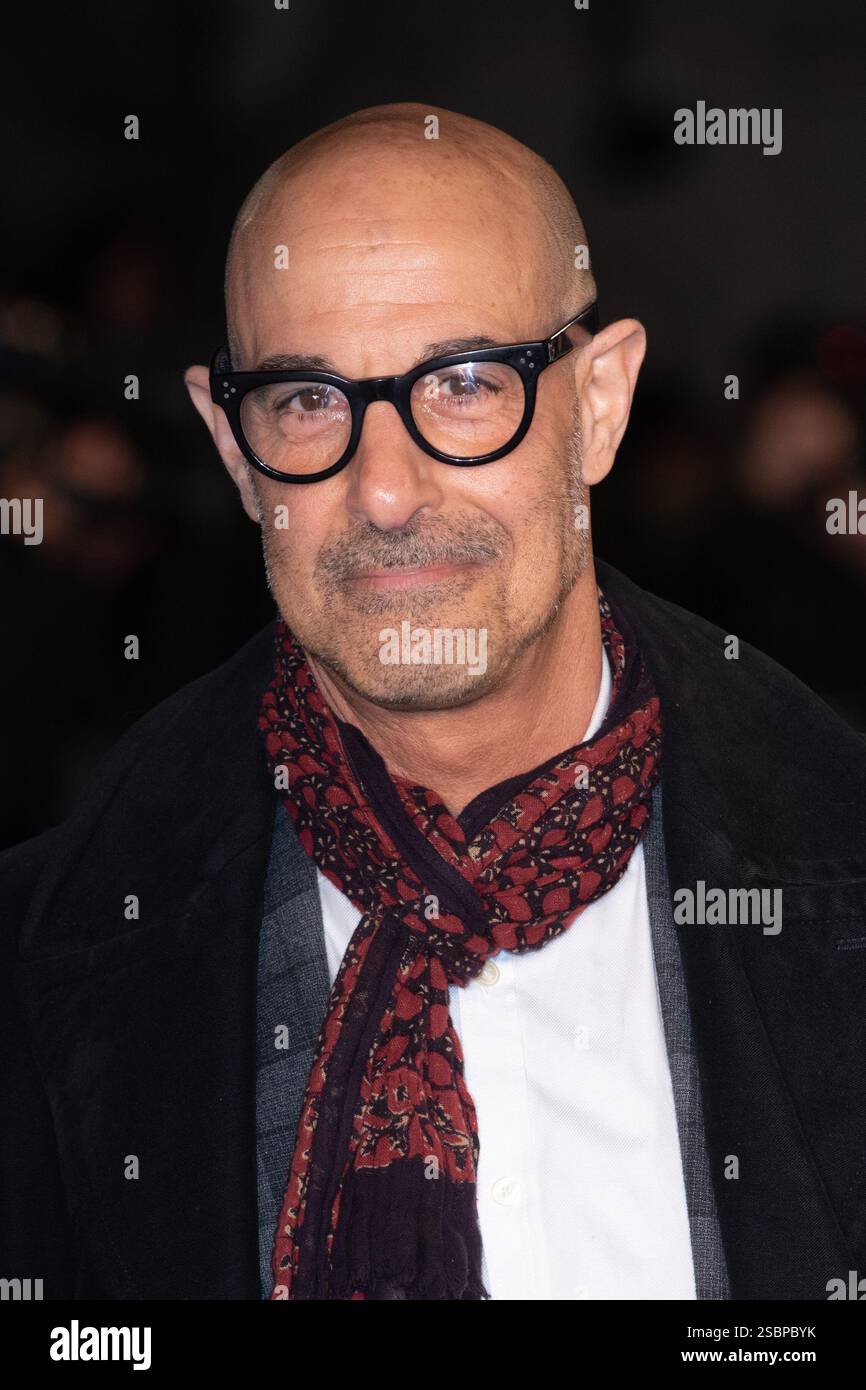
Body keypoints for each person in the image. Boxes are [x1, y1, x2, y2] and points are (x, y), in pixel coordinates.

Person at [2, 103, 864, 1302]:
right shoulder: (48, 959)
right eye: (307, 401)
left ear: (600, 405)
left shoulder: (829, 861)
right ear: (233, 447)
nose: (387, 489)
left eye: (464, 384)